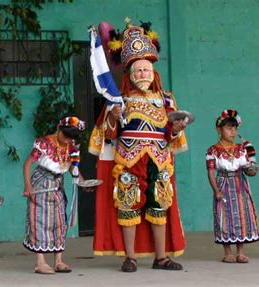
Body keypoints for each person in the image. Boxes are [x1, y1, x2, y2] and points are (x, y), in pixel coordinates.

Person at [88, 19, 189, 272]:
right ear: (130, 74)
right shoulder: (119, 99)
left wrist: (175, 129)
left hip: (159, 160)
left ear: (153, 73)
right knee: (128, 204)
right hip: (129, 161)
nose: (143, 74)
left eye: (146, 70)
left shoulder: (166, 100)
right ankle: (130, 257)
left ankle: (161, 257)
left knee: (159, 205)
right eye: (138, 70)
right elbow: (109, 136)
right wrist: (113, 115)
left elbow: (171, 136)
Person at [22, 116, 87, 274]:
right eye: (65, 136)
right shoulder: (44, 143)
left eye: (70, 138)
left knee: (59, 222)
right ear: (59, 129)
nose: (67, 141)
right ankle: (40, 262)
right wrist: (28, 186)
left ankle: (59, 261)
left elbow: (71, 166)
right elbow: (28, 164)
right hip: (41, 183)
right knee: (39, 221)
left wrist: (81, 180)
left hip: (58, 185)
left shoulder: (71, 146)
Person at [206, 109, 259, 264]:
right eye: (228, 128)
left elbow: (248, 169)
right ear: (219, 129)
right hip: (223, 184)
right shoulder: (213, 150)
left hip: (240, 184)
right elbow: (211, 172)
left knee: (242, 215)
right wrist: (216, 190)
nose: (232, 131)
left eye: (235, 128)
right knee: (224, 216)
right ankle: (227, 252)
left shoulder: (242, 149)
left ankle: (241, 252)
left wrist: (252, 170)